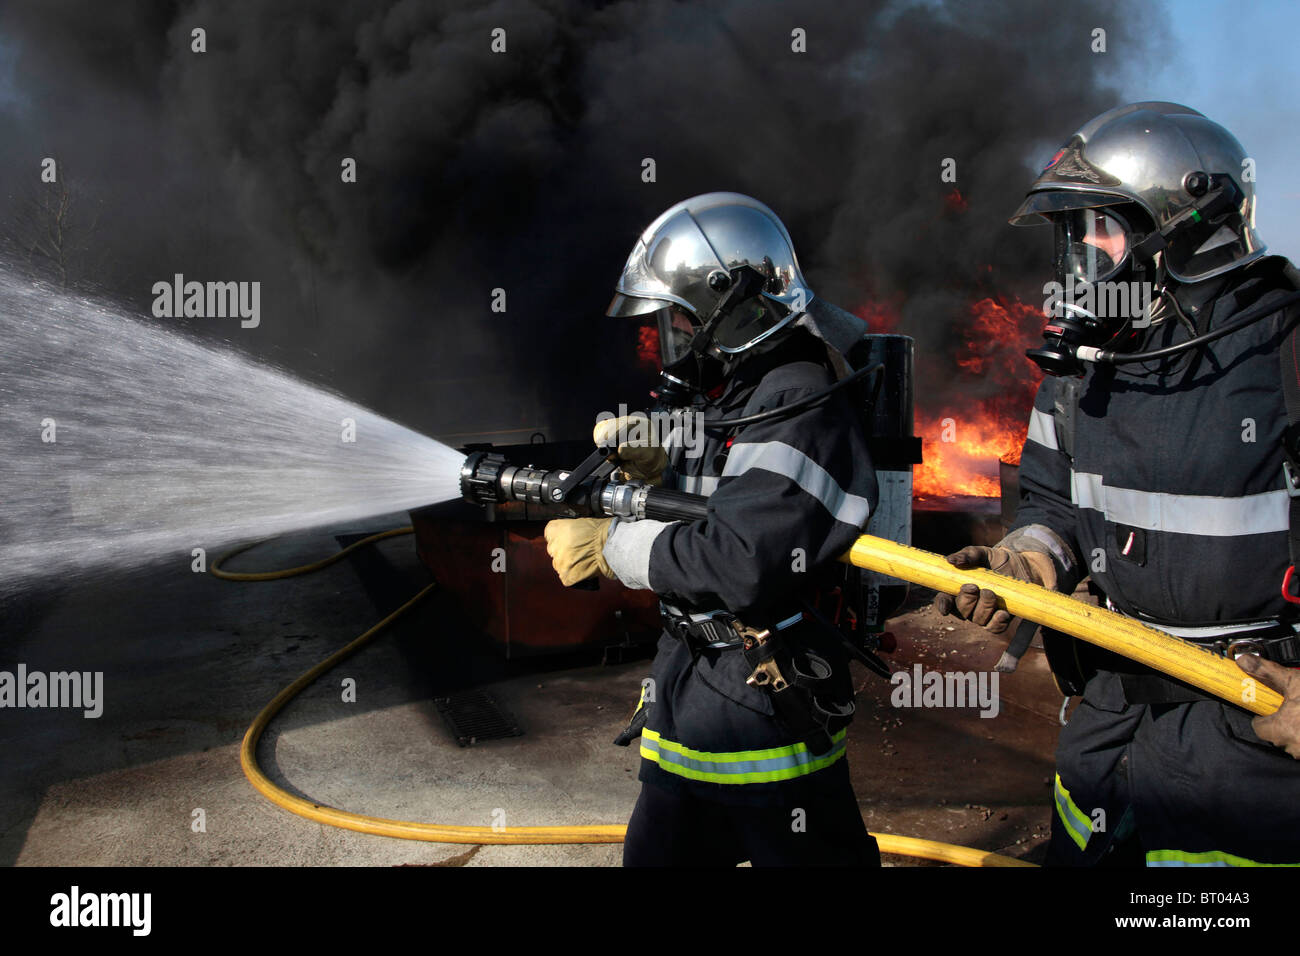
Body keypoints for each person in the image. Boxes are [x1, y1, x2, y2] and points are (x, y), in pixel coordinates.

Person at [936, 102, 1300, 866]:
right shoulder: (1086, 370)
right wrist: (1026, 564)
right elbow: (1051, 502)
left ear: (1185, 229)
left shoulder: (1284, 353)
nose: (1076, 263)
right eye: (1069, 238)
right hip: (1111, 736)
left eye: (1096, 231)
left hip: (1250, 764)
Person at [542, 192, 882, 866]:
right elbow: (718, 497)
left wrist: (612, 546)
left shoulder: (797, 397)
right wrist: (662, 460)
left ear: (732, 305)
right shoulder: (738, 392)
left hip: (764, 709)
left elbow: (743, 557)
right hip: (692, 694)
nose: (672, 333)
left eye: (681, 314)